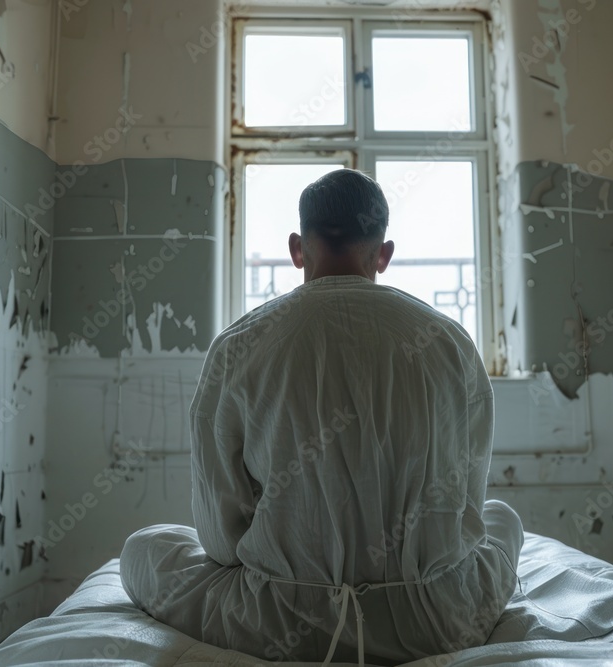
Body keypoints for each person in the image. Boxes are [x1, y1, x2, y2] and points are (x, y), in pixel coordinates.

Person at [120, 169, 523, 666]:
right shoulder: (449, 341)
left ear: (297, 247)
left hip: (276, 622)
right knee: (504, 518)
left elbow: (221, 542)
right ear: (383, 254)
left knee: (144, 548)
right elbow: (468, 515)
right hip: (435, 622)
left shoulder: (239, 346)